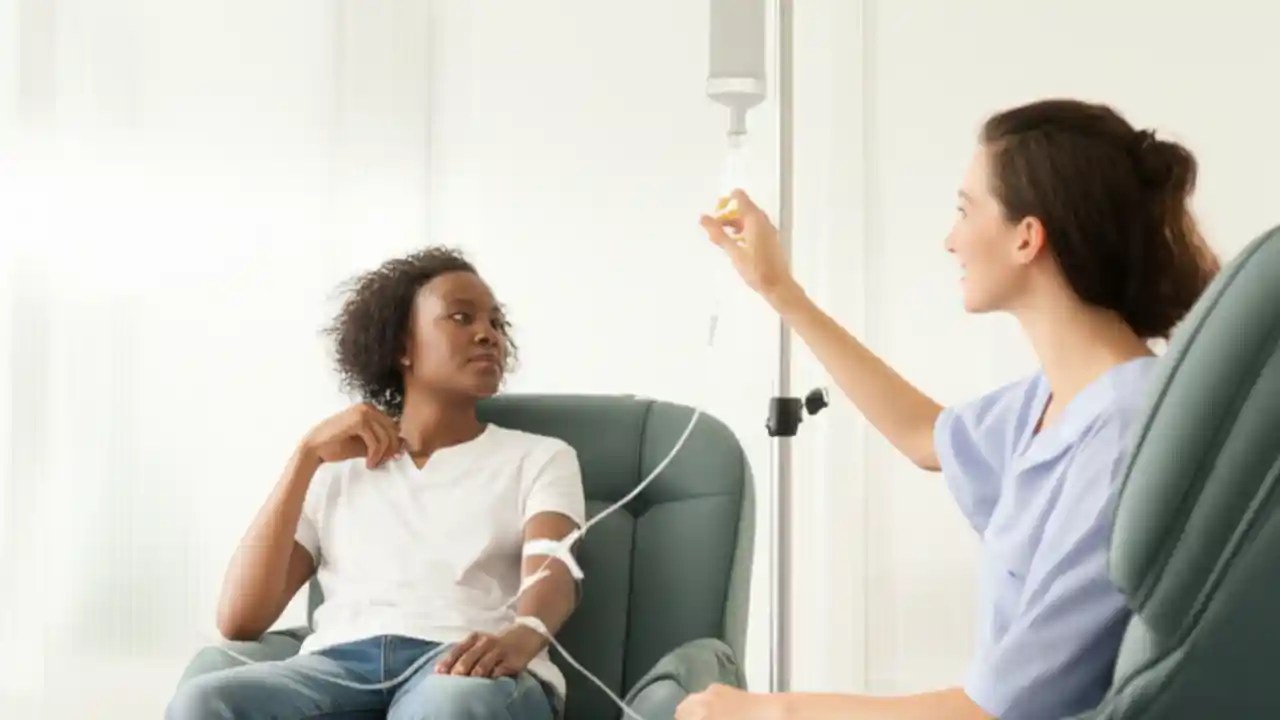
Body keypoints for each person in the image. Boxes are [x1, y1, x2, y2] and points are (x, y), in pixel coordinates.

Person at [676, 99, 1220, 720]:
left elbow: (992, 712)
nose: (950, 239)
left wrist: (765, 712)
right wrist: (782, 292)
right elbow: (925, 436)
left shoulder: (1122, 434)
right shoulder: (1052, 403)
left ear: (1026, 237)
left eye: (965, 210)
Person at [167, 248, 586, 720]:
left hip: (463, 666)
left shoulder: (539, 457)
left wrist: (522, 637)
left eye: (496, 323)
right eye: (461, 317)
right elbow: (240, 619)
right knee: (204, 701)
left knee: (446, 706)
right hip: (338, 668)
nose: (487, 334)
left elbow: (555, 575)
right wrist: (304, 458)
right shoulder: (336, 469)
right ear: (401, 347)